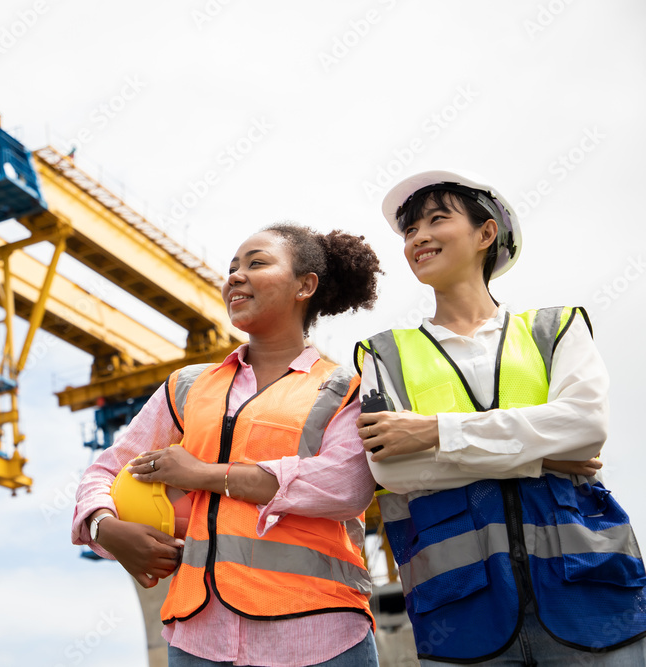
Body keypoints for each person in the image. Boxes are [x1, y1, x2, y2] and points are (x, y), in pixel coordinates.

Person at [355, 170, 646, 665]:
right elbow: (391, 471)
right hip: (461, 610)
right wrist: (542, 456)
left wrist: (434, 433)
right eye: (409, 231)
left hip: (592, 594)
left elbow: (584, 427)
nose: (417, 238)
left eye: (436, 220)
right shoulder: (383, 353)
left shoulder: (556, 328)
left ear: (485, 233)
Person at [72, 223, 384, 666]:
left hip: (319, 632)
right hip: (199, 638)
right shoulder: (186, 386)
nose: (234, 276)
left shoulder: (343, 387)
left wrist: (201, 475)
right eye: (232, 268)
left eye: (256, 263)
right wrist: (104, 528)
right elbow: (103, 470)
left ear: (305, 285)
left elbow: (344, 486)